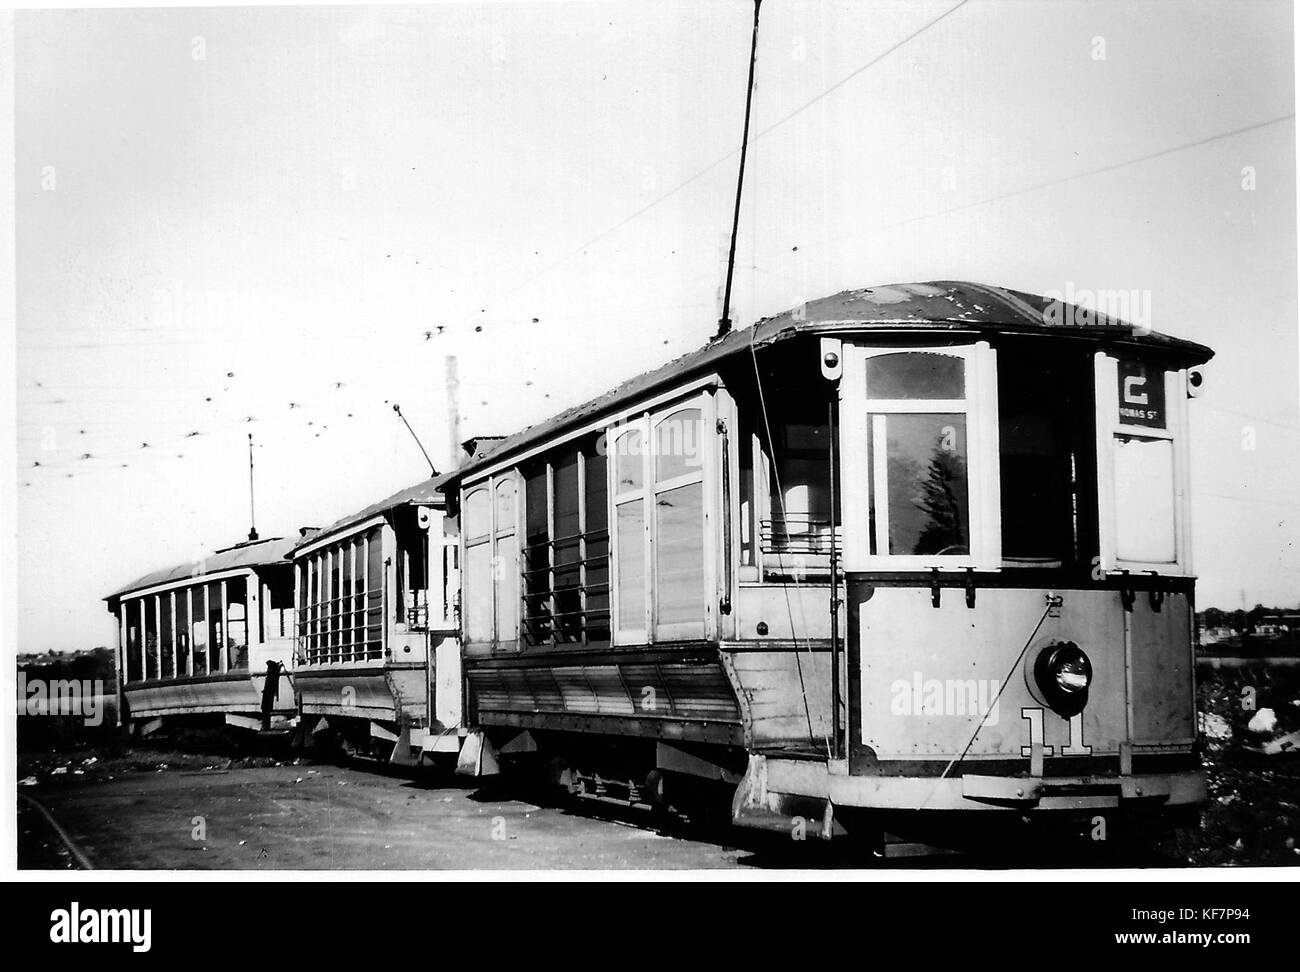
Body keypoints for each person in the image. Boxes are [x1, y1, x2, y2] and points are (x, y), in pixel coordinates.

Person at [260, 660, 283, 731]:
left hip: (267, 696)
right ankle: (266, 726)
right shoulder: (272, 675)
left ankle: (265, 727)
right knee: (267, 712)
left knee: (265, 712)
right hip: (268, 695)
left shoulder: (270, 676)